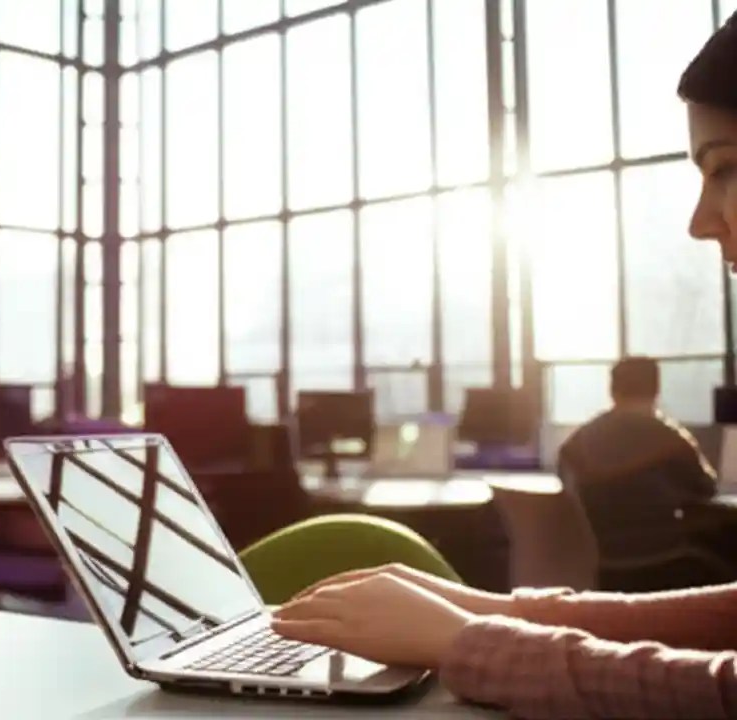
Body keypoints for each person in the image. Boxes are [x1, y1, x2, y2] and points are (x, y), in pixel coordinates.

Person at [271, 13, 737, 719]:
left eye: (725, 168)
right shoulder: (668, 436)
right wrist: (491, 608)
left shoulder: (581, 440)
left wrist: (468, 635)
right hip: (663, 564)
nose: (700, 221)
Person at [558, 357, 719, 586]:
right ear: (656, 390)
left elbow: (566, 490)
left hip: (601, 560)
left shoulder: (577, 441)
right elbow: (706, 489)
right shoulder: (669, 438)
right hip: (660, 557)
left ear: (612, 390)